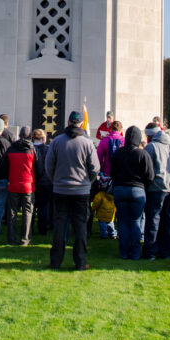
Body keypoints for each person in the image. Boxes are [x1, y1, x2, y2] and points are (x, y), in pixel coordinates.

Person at [45, 110, 100, 271]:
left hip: (60, 190)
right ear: (81, 124)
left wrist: (56, 181)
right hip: (81, 192)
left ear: (68, 122)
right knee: (80, 228)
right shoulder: (87, 143)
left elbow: (49, 166)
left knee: (59, 227)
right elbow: (95, 168)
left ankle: (55, 261)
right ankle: (81, 262)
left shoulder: (56, 142)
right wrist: (86, 182)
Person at [110, 126, 153, 259]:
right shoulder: (143, 154)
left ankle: (123, 252)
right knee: (135, 221)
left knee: (122, 221)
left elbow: (112, 173)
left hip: (120, 189)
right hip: (137, 190)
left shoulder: (118, 153)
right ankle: (135, 253)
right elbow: (150, 176)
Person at [143, 121, 170, 259]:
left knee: (153, 219)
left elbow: (147, 169)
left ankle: (151, 251)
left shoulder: (151, 147)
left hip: (156, 187)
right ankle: (167, 251)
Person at [4, 126, 36, 246]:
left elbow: (5, 166)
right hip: (28, 184)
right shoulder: (32, 150)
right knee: (27, 212)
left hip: (13, 184)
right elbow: (39, 167)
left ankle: (11, 239)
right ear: (30, 136)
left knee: (12, 212)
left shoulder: (11, 149)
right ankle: (25, 239)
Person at [32, 129, 52, 235]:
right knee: (43, 207)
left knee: (31, 206)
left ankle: (29, 228)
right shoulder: (48, 149)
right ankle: (43, 228)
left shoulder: (30, 149)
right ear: (43, 138)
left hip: (33, 181)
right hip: (45, 181)